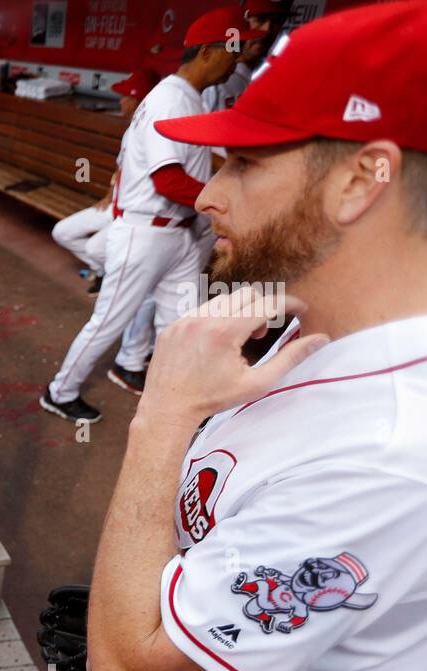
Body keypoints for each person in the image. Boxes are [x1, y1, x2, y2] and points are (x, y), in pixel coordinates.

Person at [87, 0, 427, 671]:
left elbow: (128, 658)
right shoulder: (320, 316)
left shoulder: (394, 451)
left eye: (243, 162)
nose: (209, 191)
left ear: (361, 180)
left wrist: (163, 414)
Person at [41, 6, 261, 424]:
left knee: (176, 329)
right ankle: (60, 392)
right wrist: (226, 202)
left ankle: (169, 405)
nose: (236, 59)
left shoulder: (187, 97)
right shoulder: (169, 99)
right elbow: (169, 181)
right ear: (209, 52)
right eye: (232, 51)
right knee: (107, 322)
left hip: (178, 235)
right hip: (145, 233)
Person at [51, 68, 159, 296]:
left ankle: (117, 280)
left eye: (125, 97)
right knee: (61, 232)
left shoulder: (154, 133)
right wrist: (110, 195)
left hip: (134, 214)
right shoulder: (132, 129)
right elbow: (121, 167)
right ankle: (103, 271)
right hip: (115, 206)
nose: (121, 102)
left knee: (95, 247)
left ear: (136, 99)